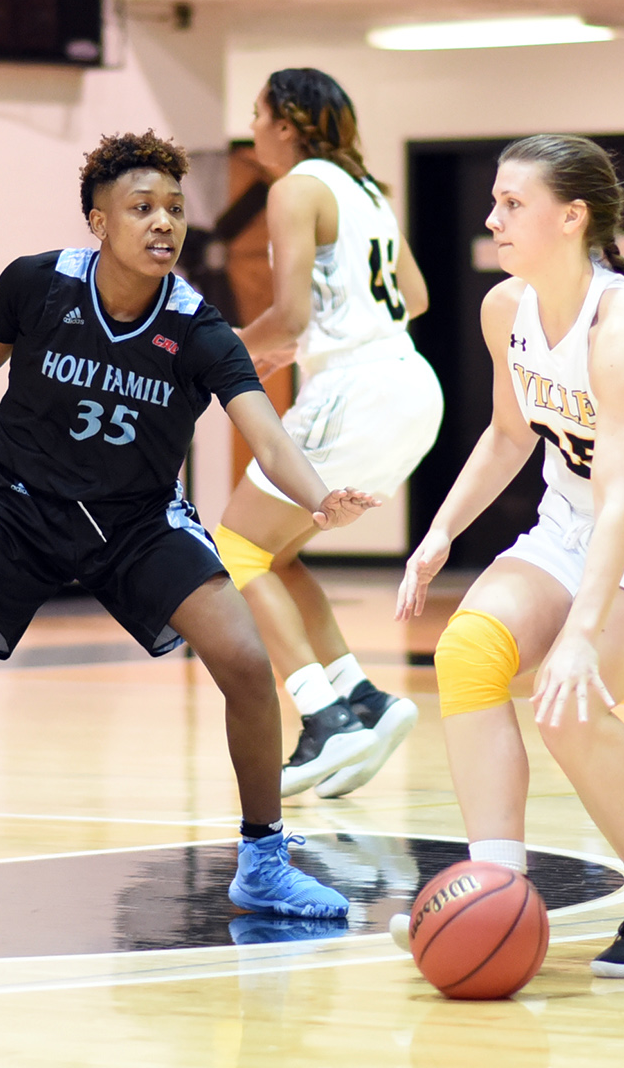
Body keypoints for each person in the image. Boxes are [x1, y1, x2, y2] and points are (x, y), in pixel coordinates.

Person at [0, 130, 377, 926]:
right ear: (97, 220)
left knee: (247, 662)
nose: (164, 224)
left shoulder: (198, 328)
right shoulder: (38, 284)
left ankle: (263, 864)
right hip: (15, 504)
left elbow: (269, 435)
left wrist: (319, 498)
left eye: (176, 210)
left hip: (138, 522)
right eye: (141, 208)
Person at [393, 135, 624, 978]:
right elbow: (508, 433)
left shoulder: (622, 324)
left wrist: (582, 633)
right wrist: (441, 532)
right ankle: (496, 893)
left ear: (572, 216)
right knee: (469, 652)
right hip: (574, 516)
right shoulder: (504, 309)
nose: (492, 218)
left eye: (512, 204)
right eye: (493, 201)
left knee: (569, 698)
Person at [212, 68, 440, 800]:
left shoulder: (296, 189)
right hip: (409, 385)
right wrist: (305, 343)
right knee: (273, 555)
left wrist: (218, 350)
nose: (253, 131)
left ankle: (322, 716)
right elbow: (415, 297)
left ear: (288, 121)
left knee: (235, 548)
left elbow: (288, 320)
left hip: (358, 389)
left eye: (258, 115)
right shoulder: (368, 190)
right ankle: (363, 701)